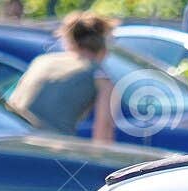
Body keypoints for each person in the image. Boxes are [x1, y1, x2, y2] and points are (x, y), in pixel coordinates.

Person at [7, 11, 116, 144]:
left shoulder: (41, 61)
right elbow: (103, 133)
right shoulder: (100, 77)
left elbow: (14, 104)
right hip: (54, 150)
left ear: (69, 40)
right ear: (103, 46)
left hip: (12, 141)